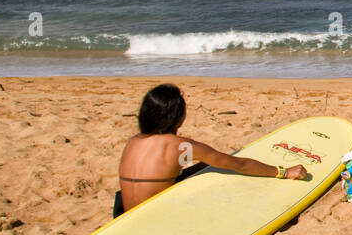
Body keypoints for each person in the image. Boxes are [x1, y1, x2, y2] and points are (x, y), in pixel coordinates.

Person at [115, 84, 308, 216]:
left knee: (203, 170)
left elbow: (160, 175)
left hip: (123, 216)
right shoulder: (181, 146)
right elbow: (238, 164)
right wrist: (282, 171)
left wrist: (203, 166)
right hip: (152, 221)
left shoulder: (133, 141)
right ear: (177, 116)